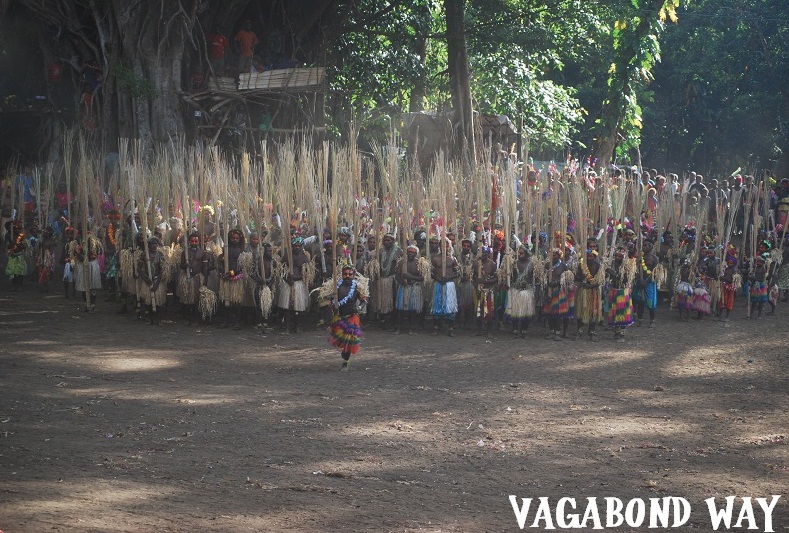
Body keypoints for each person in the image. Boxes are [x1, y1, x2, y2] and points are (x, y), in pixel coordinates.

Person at [328, 265, 367, 371]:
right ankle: (345, 356)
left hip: (352, 317)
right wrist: (332, 303)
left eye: (350, 274)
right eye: (345, 274)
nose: (347, 276)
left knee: (349, 342)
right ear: (342, 275)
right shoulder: (336, 287)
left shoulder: (357, 287)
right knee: (340, 341)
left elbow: (363, 301)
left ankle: (346, 362)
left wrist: (359, 307)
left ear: (353, 275)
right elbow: (330, 299)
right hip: (340, 318)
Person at [278, 236, 314, 333]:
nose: (297, 247)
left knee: (298, 306)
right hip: (288, 283)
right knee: (287, 307)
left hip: (299, 284)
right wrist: (287, 278)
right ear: (292, 246)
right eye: (295, 246)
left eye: (299, 246)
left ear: (301, 246)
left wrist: (297, 278)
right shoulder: (287, 256)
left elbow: (307, 273)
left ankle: (297, 327)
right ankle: (287, 327)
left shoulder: (304, 257)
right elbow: (280, 270)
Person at [178, 232, 210, 324]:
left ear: (199, 242)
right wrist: (185, 265)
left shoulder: (202, 252)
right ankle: (189, 317)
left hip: (198, 277)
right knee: (188, 298)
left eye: (196, 241)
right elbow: (181, 265)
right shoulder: (185, 252)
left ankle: (196, 318)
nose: (194, 243)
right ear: (189, 242)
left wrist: (205, 280)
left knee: (197, 299)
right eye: (192, 241)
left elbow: (205, 267)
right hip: (187, 277)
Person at [429, 237, 459, 336]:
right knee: (437, 306)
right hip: (438, 284)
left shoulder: (452, 259)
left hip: (449, 285)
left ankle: (451, 329)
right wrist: (437, 278)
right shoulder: (435, 259)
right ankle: (435, 328)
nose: (444, 246)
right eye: (442, 244)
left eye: (446, 244)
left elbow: (458, 273)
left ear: (448, 246)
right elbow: (430, 273)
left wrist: (448, 277)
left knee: (450, 307)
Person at [505, 244, 536, 338]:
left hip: (526, 291)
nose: (519, 254)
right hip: (516, 291)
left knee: (526, 314)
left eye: (522, 253)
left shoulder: (532, 264)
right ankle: (515, 330)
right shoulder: (513, 263)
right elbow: (508, 275)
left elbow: (536, 277)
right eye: (519, 252)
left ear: (527, 253)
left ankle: (524, 331)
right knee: (515, 313)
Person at [543, 247, 573, 340]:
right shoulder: (547, 265)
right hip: (548, 291)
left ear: (559, 255)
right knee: (549, 313)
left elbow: (567, 279)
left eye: (555, 254)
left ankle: (558, 332)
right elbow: (543, 277)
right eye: (552, 254)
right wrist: (546, 283)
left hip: (559, 292)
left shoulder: (563, 266)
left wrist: (557, 282)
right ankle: (552, 331)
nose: (553, 256)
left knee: (558, 313)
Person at [394, 244, 424, 335]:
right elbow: (397, 275)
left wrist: (410, 277)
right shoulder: (402, 262)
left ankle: (411, 329)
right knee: (400, 310)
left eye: (412, 252)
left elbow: (422, 278)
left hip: (414, 288)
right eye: (409, 252)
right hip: (403, 287)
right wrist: (401, 282)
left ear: (416, 254)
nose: (410, 254)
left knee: (413, 310)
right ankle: (399, 328)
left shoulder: (419, 263)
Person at [606, 246, 635, 341]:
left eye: (620, 256)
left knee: (622, 313)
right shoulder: (611, 264)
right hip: (613, 290)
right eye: (616, 256)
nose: (618, 258)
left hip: (623, 291)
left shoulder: (627, 266)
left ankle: (622, 334)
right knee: (614, 312)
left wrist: (613, 273)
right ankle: (616, 332)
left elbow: (625, 279)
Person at [574, 247, 603, 340]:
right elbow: (577, 278)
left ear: (595, 257)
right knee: (581, 310)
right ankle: (580, 330)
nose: (590, 258)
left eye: (592, 256)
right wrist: (581, 277)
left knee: (593, 312)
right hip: (583, 291)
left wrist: (590, 286)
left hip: (594, 291)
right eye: (588, 256)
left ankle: (592, 332)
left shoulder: (598, 266)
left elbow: (600, 280)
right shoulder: (581, 265)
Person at [137, 237, 165, 324]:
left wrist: (157, 283)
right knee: (147, 301)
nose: (154, 246)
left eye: (155, 244)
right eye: (152, 244)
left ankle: (156, 318)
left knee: (158, 301)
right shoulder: (144, 254)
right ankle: (149, 317)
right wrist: (146, 279)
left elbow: (162, 269)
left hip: (157, 280)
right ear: (148, 245)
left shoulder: (160, 255)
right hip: (147, 280)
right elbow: (138, 268)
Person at [633, 239, 660, 327]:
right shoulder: (639, 257)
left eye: (646, 245)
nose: (644, 247)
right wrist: (639, 279)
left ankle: (652, 321)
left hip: (650, 282)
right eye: (643, 245)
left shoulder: (654, 258)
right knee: (639, 301)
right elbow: (635, 269)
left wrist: (646, 281)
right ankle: (640, 320)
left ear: (651, 247)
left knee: (650, 302)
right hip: (639, 281)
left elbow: (655, 273)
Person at [474, 245, 498, 338]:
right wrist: (476, 285)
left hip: (489, 291)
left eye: (485, 253)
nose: (483, 255)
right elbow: (472, 276)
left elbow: (496, 279)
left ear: (488, 254)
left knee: (489, 311)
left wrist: (484, 281)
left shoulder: (492, 264)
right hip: (478, 291)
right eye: (481, 253)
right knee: (478, 311)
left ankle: (489, 331)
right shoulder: (475, 263)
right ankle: (479, 330)